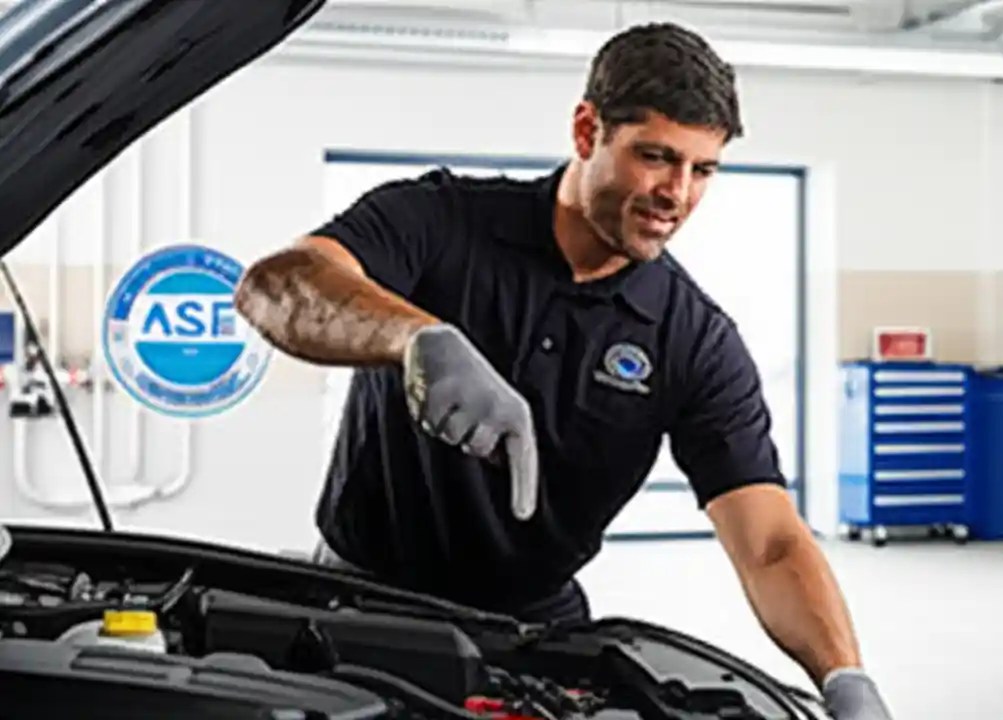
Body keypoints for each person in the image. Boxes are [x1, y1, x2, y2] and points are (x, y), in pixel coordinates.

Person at [234, 21, 892, 720]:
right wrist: (415, 337)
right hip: (356, 607)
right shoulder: (439, 218)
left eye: (702, 170)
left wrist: (845, 678)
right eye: (655, 157)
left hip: (534, 637)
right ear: (587, 131)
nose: (678, 192)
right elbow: (274, 286)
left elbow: (768, 543)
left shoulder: (693, 338)